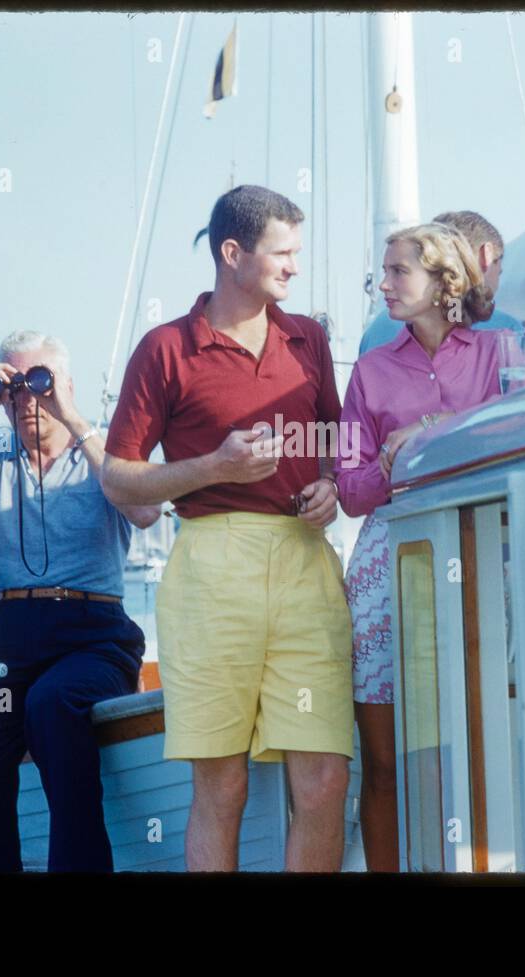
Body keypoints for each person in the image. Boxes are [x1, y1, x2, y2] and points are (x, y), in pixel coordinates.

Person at [100, 184, 353, 872]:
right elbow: (119, 477)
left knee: (326, 779)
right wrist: (213, 465)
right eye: (284, 252)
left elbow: (338, 443)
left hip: (305, 562)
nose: (295, 267)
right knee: (223, 785)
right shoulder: (165, 349)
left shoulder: (310, 339)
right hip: (211, 571)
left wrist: (333, 484)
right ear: (232, 253)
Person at [0, 330, 161, 872]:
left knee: (53, 704)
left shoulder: (105, 453)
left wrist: (77, 420)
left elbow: (145, 511)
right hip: (12, 644)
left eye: (40, 383)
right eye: (11, 387)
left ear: (65, 387)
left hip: (95, 637)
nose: (25, 399)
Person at [336, 222, 525, 871]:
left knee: (477, 742)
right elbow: (350, 489)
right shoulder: (370, 372)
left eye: (399, 270)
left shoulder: (503, 350)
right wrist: (398, 464)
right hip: (387, 570)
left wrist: (438, 430)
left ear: (444, 281)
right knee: (384, 756)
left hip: (489, 563)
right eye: (384, 270)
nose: (385, 282)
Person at [357, 210, 524, 356]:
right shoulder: (505, 331)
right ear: (486, 254)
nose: (384, 285)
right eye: (499, 269)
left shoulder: (377, 329)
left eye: (399, 271)